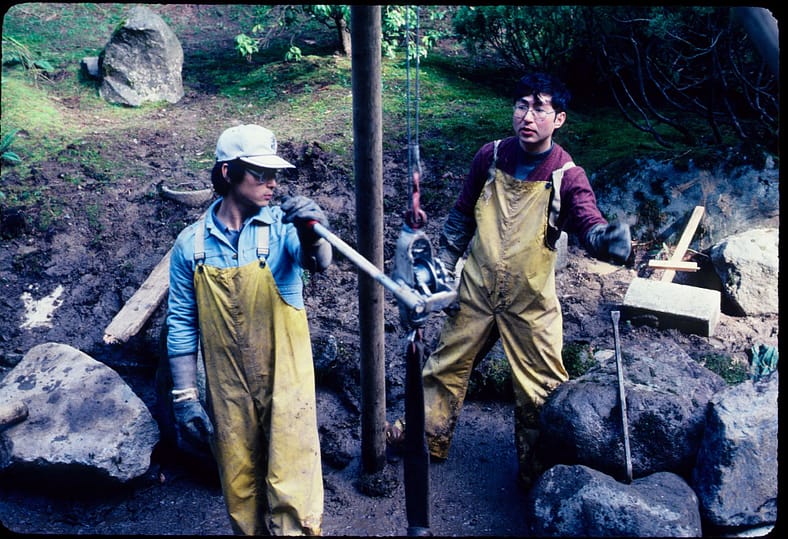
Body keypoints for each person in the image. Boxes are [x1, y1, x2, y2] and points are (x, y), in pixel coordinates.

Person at [421, 72, 631, 490]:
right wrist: (445, 261)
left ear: (559, 119)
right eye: (521, 104)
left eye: (540, 107)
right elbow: (463, 213)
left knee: (542, 391)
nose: (527, 116)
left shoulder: (567, 176)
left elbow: (587, 219)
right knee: (443, 368)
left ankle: (540, 475)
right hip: (477, 290)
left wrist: (604, 239)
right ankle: (424, 442)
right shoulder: (491, 156)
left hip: (530, 303)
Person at [166, 124, 331, 535]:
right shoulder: (191, 246)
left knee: (293, 479)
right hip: (228, 390)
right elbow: (182, 323)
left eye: (274, 173)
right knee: (240, 485)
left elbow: (318, 261)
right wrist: (185, 396)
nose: (272, 183)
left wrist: (313, 230)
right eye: (260, 173)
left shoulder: (281, 230)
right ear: (227, 173)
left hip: (286, 381)